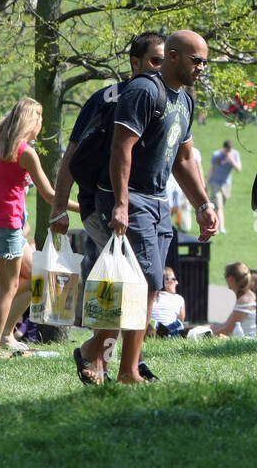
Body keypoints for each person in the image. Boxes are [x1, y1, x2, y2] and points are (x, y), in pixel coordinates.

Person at [74, 30, 219, 384]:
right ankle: (126, 371)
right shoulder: (144, 91)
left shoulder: (184, 100)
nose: (201, 67)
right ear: (172, 56)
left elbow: (183, 159)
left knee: (141, 287)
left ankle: (95, 351)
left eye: (204, 61)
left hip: (158, 201)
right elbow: (121, 148)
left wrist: (203, 204)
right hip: (129, 198)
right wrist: (121, 204)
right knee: (147, 284)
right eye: (195, 60)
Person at [52, 32, 166, 283]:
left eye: (166, 62)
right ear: (135, 62)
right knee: (131, 283)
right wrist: (60, 208)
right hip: (99, 204)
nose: (161, 68)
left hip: (144, 209)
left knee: (140, 284)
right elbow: (73, 154)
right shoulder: (106, 99)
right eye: (156, 61)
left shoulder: (167, 100)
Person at [0, 98, 77, 355]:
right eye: (39, 118)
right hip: (7, 227)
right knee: (8, 288)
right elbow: (51, 195)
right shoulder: (25, 153)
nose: (41, 123)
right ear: (31, 121)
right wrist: (84, 207)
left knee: (34, 276)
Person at [209, 262, 257, 337]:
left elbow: (227, 331)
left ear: (231, 279)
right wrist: (203, 328)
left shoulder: (245, 300)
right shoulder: (248, 296)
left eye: (225, 276)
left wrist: (202, 335)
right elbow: (225, 326)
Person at [206, 140, 242, 233]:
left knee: (221, 206)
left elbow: (239, 169)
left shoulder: (235, 154)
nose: (228, 152)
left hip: (227, 184)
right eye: (227, 150)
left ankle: (214, 223)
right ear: (224, 148)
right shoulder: (216, 155)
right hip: (215, 183)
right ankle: (221, 228)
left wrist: (231, 159)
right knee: (219, 207)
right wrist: (206, 183)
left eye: (230, 150)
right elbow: (212, 169)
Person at [148, 266, 187, 337]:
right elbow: (181, 320)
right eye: (174, 279)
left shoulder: (150, 297)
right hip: (171, 331)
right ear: (166, 281)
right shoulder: (178, 299)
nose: (177, 282)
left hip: (152, 330)